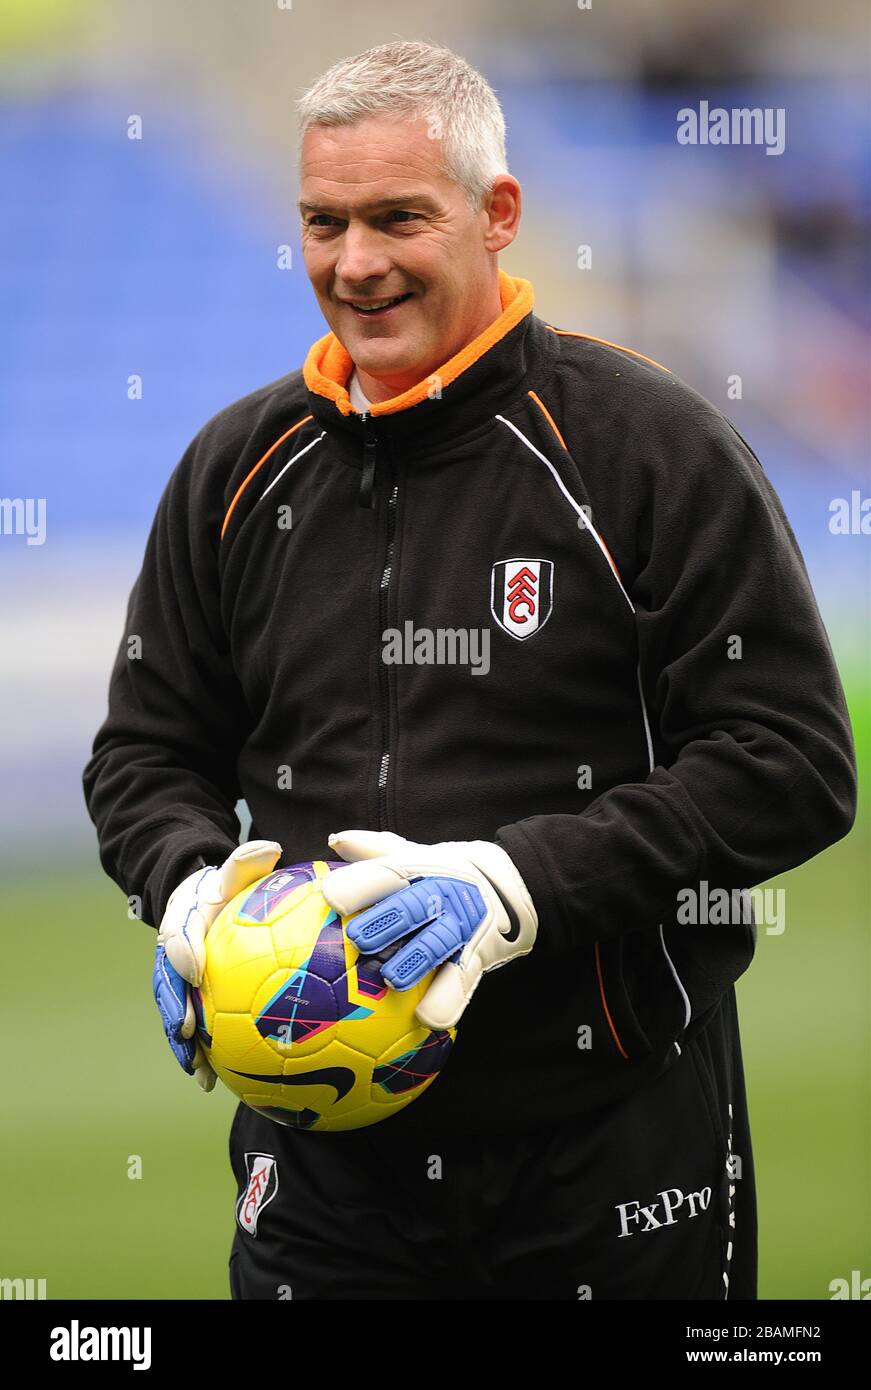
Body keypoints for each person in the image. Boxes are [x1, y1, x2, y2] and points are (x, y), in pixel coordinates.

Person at [82, 39, 857, 1300]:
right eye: (322, 223)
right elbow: (143, 751)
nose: (355, 262)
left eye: (397, 217)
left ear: (497, 215)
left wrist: (514, 887)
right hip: (324, 1169)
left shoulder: (649, 448)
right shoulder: (234, 471)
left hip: (612, 1141)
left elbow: (793, 765)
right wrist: (177, 883)